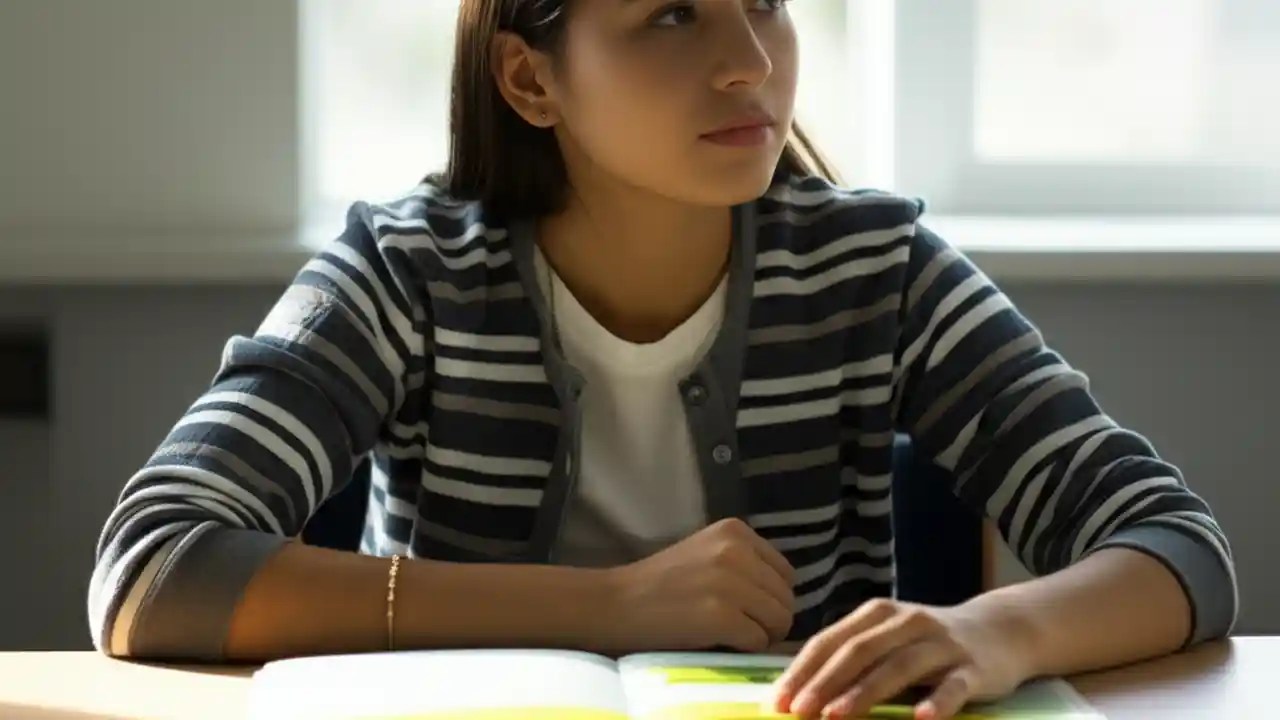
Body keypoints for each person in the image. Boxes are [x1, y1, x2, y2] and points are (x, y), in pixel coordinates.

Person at [87, 1, 1237, 718]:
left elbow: (1175, 548)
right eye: (672, 16)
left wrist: (990, 632)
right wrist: (607, 606)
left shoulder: (873, 267)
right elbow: (151, 572)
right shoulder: (402, 272)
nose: (749, 64)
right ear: (531, 78)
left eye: (765, 4)